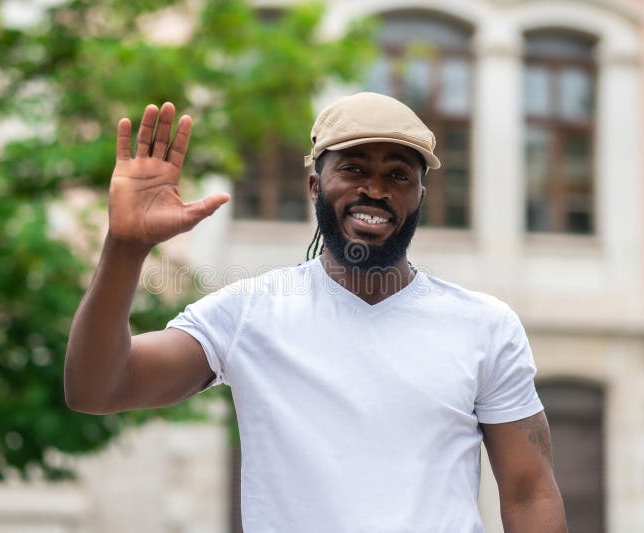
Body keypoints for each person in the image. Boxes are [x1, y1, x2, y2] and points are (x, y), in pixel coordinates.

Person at [64, 92, 567, 532]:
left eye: (398, 175)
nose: (376, 189)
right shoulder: (247, 314)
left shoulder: (485, 326)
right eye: (353, 168)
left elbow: (530, 494)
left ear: (420, 197)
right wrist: (126, 247)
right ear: (313, 186)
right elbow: (97, 389)